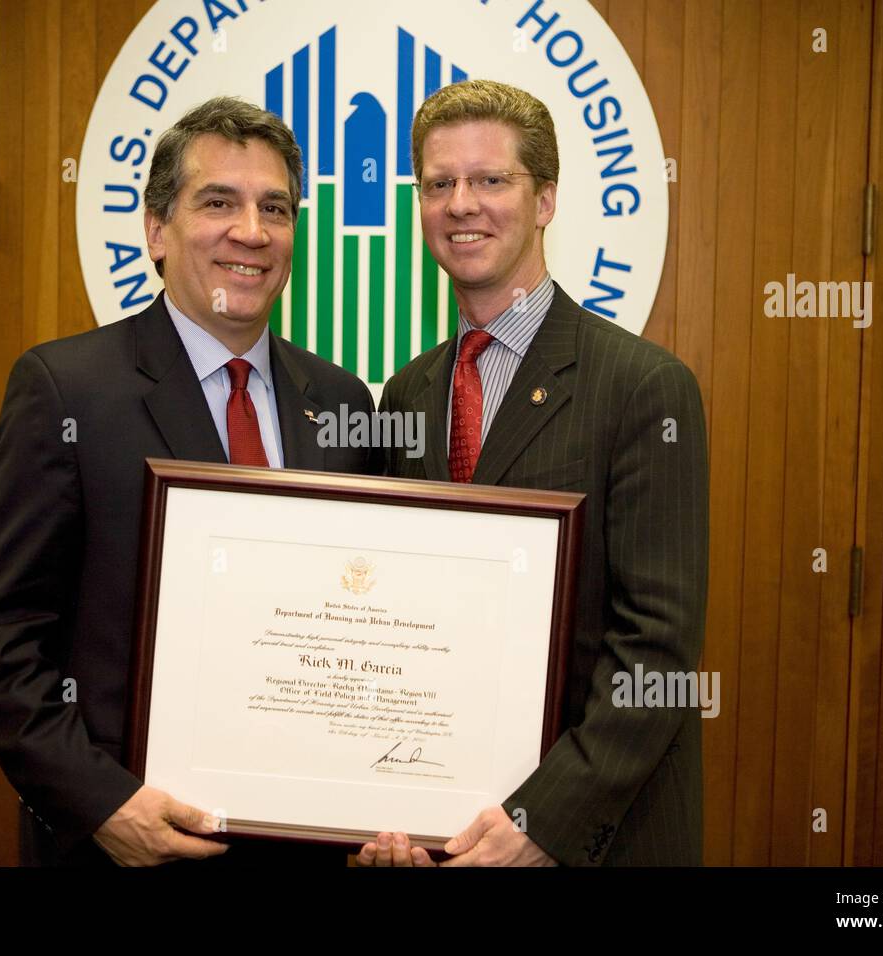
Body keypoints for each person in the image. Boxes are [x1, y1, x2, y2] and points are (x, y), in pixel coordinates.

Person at [0, 97, 377, 867]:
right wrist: (102, 803)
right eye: (219, 202)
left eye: (275, 208)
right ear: (156, 229)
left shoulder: (341, 404)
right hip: (127, 847)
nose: (252, 231)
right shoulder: (65, 389)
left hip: (305, 845)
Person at [362, 79, 709, 866]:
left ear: (546, 199)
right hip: (445, 837)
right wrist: (388, 806)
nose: (461, 204)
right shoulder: (409, 392)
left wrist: (541, 821)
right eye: (439, 183)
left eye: (491, 180)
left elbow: (657, 651)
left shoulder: (644, 387)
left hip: (597, 838)